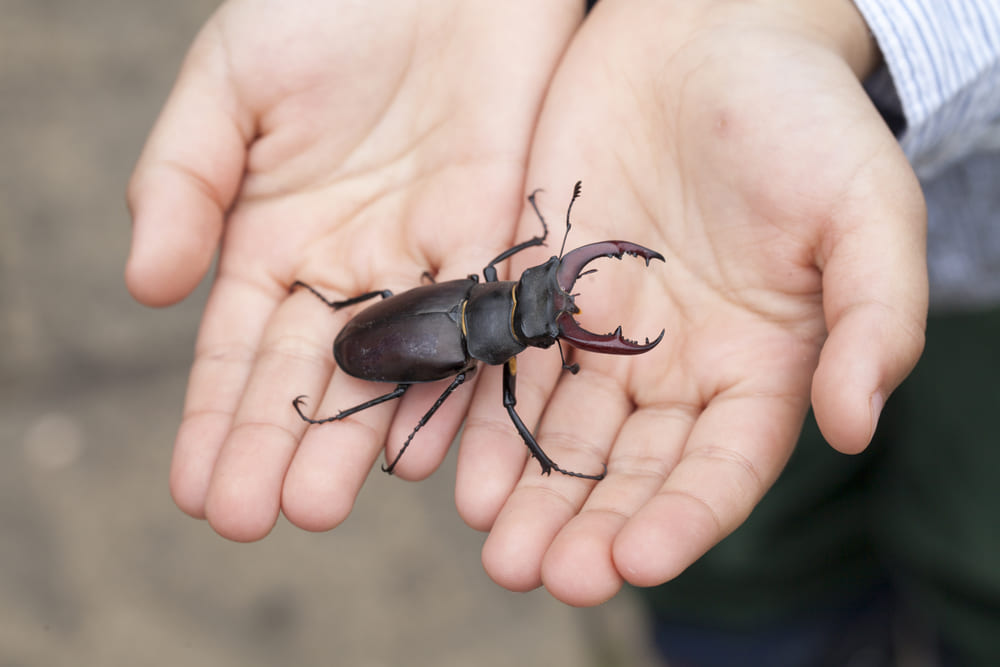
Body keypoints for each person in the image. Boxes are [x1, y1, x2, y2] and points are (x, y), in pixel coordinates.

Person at [126, 0, 1000, 663]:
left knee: (971, 552)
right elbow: (447, 402)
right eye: (547, 307)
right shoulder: (475, 331)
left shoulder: (480, 300)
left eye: (546, 311)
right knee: (744, 569)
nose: (554, 309)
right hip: (389, 332)